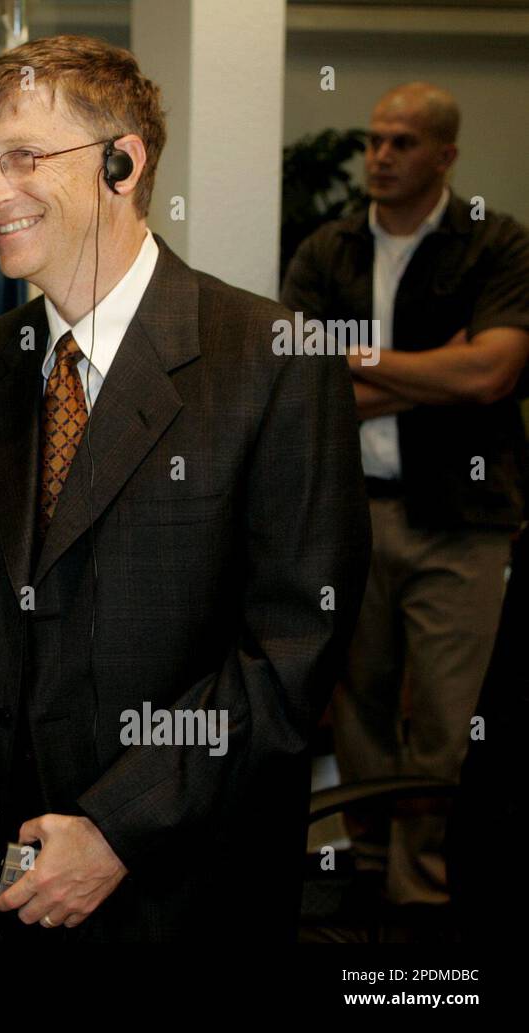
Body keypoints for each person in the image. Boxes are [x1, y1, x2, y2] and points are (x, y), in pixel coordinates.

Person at [0, 35, 372, 942]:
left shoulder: (271, 361)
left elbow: (289, 653)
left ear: (123, 163)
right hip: (1, 892)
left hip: (184, 894)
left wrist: (122, 827)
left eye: (23, 159)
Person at [282, 83, 529, 909]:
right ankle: (366, 870)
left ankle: (424, 894)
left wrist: (361, 364)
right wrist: (436, 372)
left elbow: (495, 370)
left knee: (451, 719)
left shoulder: (493, 244)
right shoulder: (329, 248)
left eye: (403, 143)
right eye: (375, 140)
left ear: (446, 155)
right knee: (358, 708)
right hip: (348, 515)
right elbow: (301, 384)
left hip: (460, 521)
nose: (381, 157)